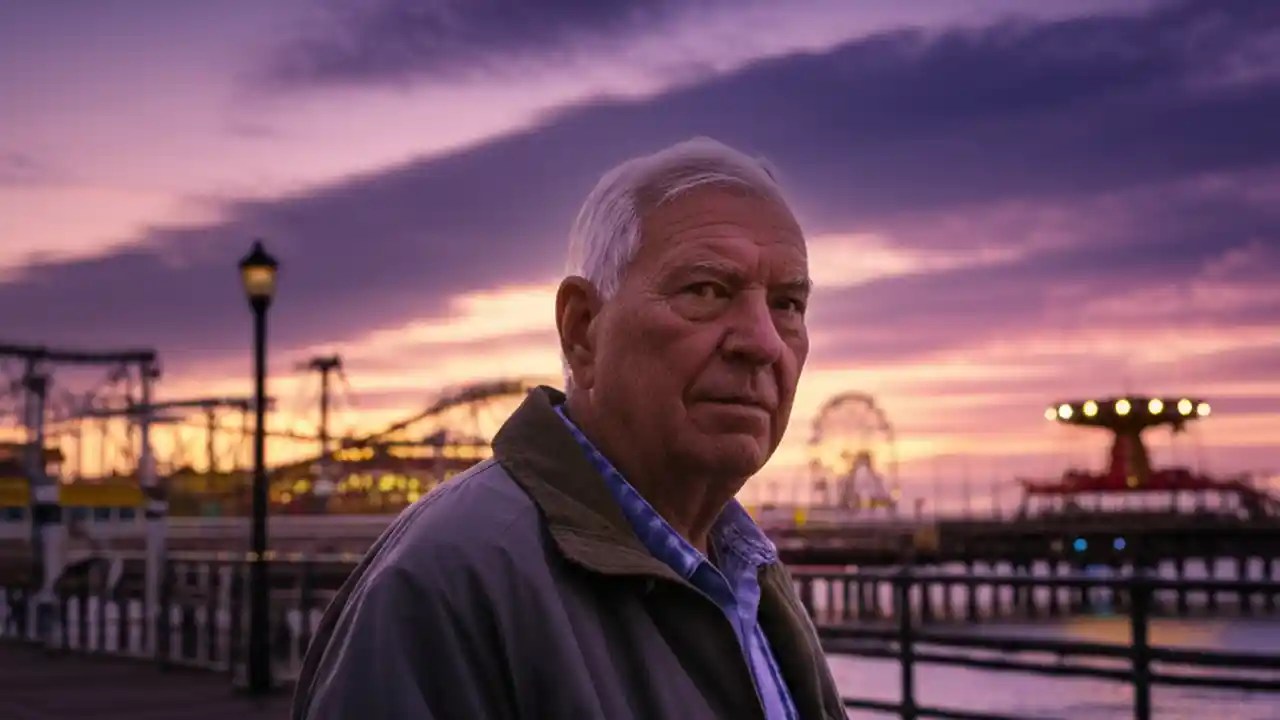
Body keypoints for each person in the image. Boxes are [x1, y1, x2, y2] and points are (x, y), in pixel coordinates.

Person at [293, 137, 842, 719]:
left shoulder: (749, 577)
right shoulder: (445, 586)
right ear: (583, 330)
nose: (761, 342)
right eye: (706, 291)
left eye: (787, 305)